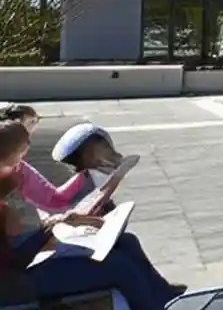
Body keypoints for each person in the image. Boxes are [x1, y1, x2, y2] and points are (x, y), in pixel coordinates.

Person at [0, 121, 184, 309]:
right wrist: (44, 229)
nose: (19, 164)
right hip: (17, 277)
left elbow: (50, 202)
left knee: (127, 242)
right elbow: (15, 251)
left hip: (31, 249)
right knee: (119, 266)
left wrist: (56, 224)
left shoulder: (17, 172)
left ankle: (164, 296)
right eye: (15, 156)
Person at [0, 105, 92, 216]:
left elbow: (53, 198)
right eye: (31, 122)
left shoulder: (20, 168)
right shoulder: (20, 170)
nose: (33, 127)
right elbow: (53, 199)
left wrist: (85, 173)